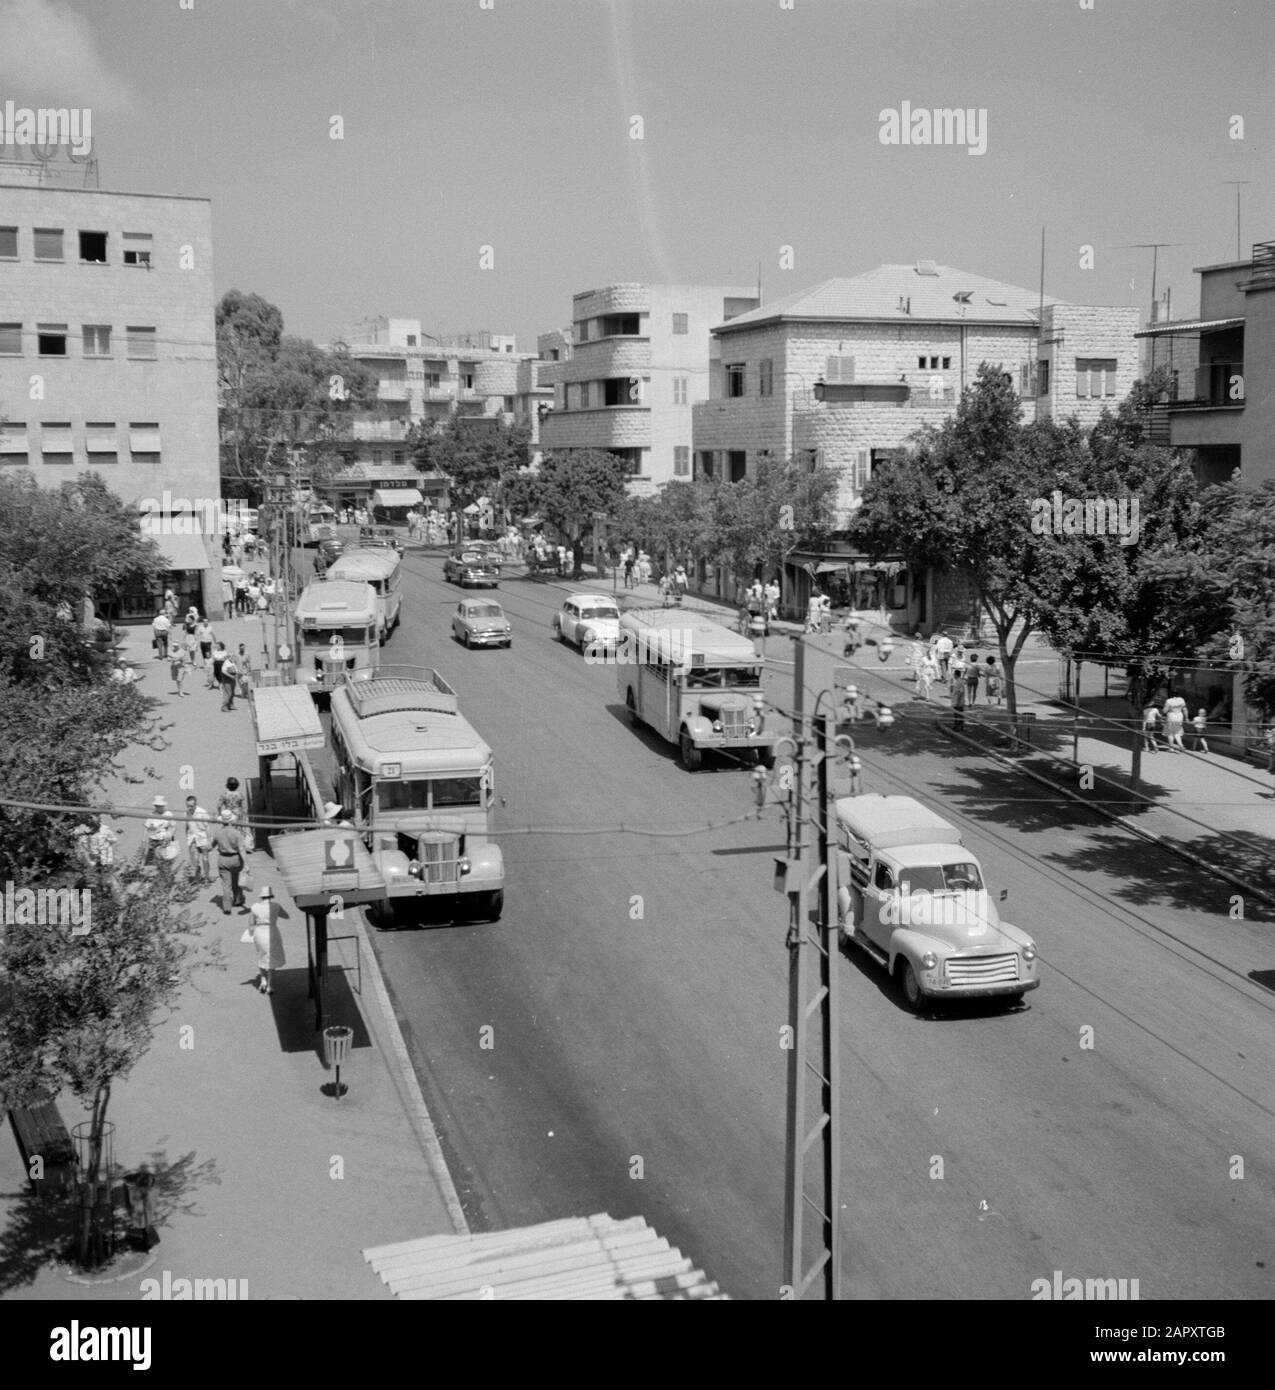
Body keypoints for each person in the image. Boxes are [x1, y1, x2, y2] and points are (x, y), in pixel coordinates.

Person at [248, 886, 286, 995]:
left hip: (259, 932)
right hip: (272, 931)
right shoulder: (276, 906)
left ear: (261, 897)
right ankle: (270, 985)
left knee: (261, 955)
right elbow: (286, 916)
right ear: (271, 896)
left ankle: (263, 980)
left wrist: (251, 933)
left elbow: (251, 923)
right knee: (271, 958)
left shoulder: (255, 907)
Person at [210, 808, 247, 914]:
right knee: (236, 880)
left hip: (223, 859)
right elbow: (241, 849)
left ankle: (227, 907)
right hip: (235, 858)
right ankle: (238, 899)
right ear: (231, 821)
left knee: (226, 884)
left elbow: (211, 846)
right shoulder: (237, 833)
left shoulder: (218, 833)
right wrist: (246, 864)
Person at [184, 795, 213, 883]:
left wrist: (209, 840)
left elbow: (207, 827)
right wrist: (187, 837)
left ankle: (207, 877)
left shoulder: (202, 812)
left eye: (191, 806)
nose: (189, 808)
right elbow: (186, 826)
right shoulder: (186, 813)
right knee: (195, 860)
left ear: (196, 805)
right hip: (192, 839)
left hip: (203, 839)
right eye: (187, 806)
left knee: (205, 859)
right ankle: (198, 876)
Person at [144, 795, 177, 867]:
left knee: (165, 862)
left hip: (165, 840)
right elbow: (147, 829)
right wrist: (151, 829)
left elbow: (173, 827)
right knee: (152, 863)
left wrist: (169, 836)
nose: (158, 807)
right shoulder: (151, 815)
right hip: (154, 840)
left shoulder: (169, 814)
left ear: (163, 806)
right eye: (156, 806)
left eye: (160, 806)